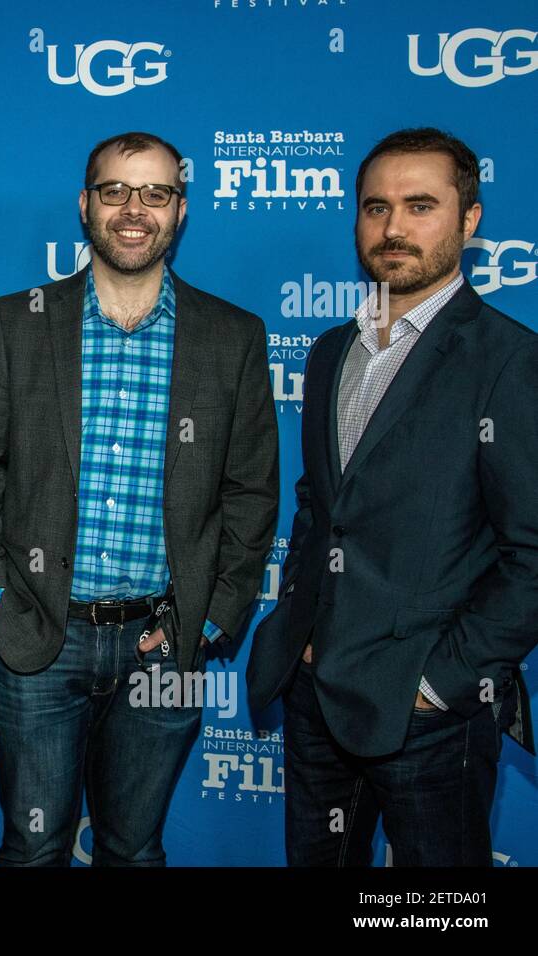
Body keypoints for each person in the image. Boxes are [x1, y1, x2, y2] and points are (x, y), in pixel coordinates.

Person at [0, 131, 278, 866]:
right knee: (34, 848)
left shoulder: (233, 338)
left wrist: (215, 616)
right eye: (115, 191)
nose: (135, 209)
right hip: (38, 638)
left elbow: (251, 495)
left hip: (164, 647)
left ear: (181, 209)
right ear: (86, 204)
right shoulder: (20, 320)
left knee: (132, 850)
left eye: (156, 192)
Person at [247, 127, 538, 866]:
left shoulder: (508, 360)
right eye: (377, 208)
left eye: (420, 206)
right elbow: (322, 505)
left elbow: (531, 554)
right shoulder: (331, 349)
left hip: (427, 716)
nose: (395, 228)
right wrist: (301, 625)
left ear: (469, 222)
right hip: (316, 693)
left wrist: (440, 684)